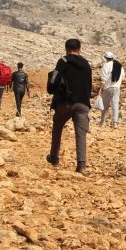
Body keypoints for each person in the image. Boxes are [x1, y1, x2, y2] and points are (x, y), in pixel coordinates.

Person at [47, 38, 93, 173]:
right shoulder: (86, 64)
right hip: (83, 104)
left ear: (66, 49)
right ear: (79, 49)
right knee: (81, 134)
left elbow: (54, 80)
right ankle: (81, 165)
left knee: (57, 126)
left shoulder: (63, 61)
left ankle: (54, 158)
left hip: (66, 103)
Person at [98, 52, 124, 127]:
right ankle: (115, 123)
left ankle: (102, 122)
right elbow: (123, 76)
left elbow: (103, 79)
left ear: (105, 58)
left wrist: (100, 89)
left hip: (107, 87)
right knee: (115, 105)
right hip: (117, 87)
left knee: (104, 105)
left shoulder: (106, 65)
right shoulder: (119, 65)